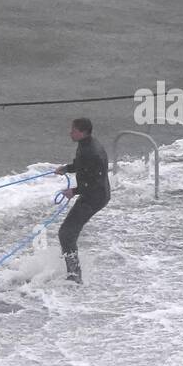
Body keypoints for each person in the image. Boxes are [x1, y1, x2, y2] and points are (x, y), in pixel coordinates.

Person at [53, 118, 110, 284]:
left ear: (83, 132)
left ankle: (75, 276)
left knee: (66, 233)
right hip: (91, 193)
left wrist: (74, 191)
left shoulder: (93, 151)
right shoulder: (85, 144)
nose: (70, 132)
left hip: (95, 197)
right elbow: (82, 165)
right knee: (67, 233)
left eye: (73, 130)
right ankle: (74, 274)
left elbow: (95, 182)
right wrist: (67, 168)